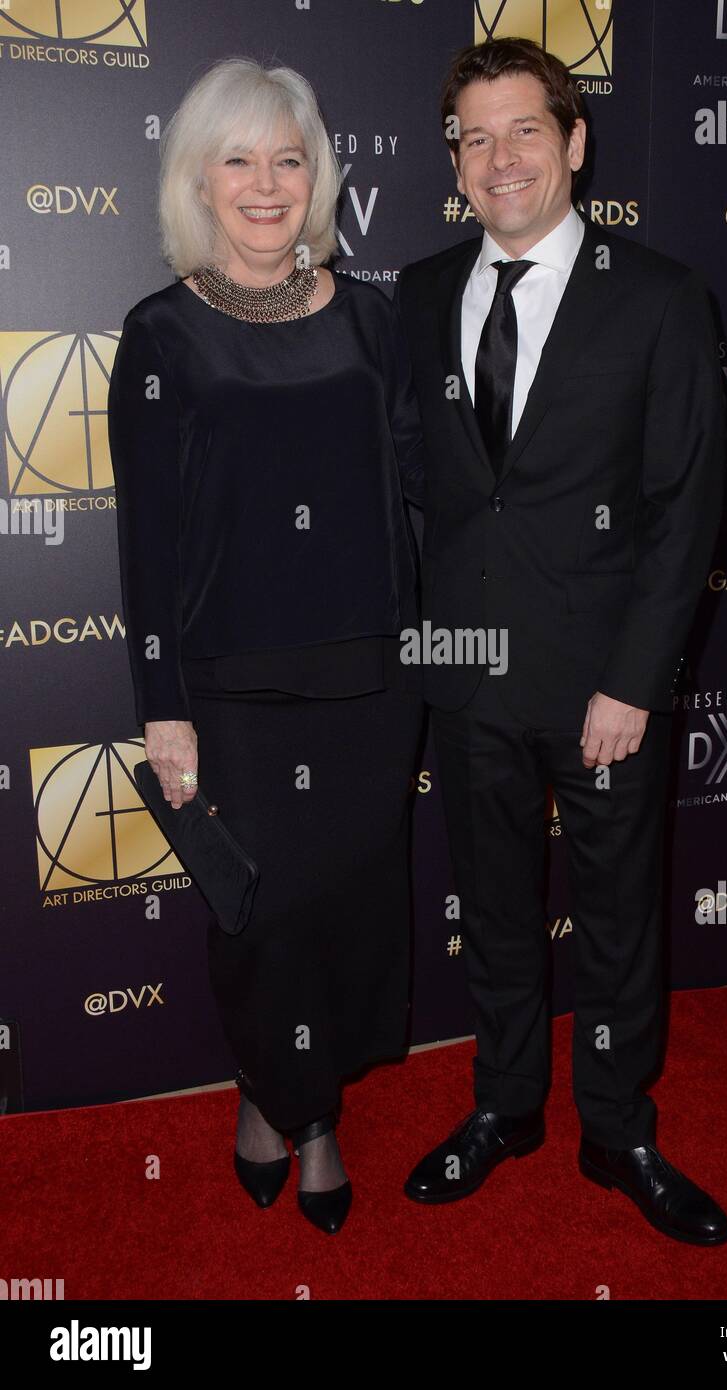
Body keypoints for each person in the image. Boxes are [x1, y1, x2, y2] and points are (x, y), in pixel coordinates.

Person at [395, 38, 727, 1245]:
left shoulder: (656, 297)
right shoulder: (424, 294)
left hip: (603, 690)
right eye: (474, 138)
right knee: (489, 913)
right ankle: (502, 1108)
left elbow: (684, 506)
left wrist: (632, 682)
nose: (500, 159)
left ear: (574, 142)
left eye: (524, 131)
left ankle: (616, 1127)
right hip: (464, 682)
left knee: (616, 917)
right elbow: (418, 492)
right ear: (453, 161)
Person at [107, 57, 424, 1236]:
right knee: (260, 917)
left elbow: (419, 496)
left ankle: (320, 1112)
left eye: (287, 158)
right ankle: (269, 1097)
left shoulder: (370, 317)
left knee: (346, 906)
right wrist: (162, 706)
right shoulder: (163, 333)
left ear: (317, 175)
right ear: (198, 177)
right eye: (237, 158)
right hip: (234, 689)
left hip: (368, 680)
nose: (264, 182)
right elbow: (146, 540)